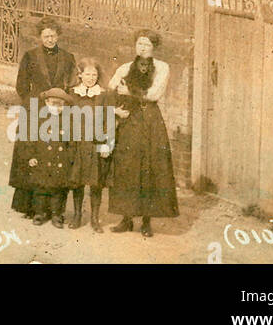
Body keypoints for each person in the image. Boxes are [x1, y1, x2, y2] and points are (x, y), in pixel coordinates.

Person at [106, 30, 179, 238]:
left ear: (154, 47)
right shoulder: (125, 67)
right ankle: (126, 218)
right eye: (139, 43)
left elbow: (155, 94)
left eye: (147, 44)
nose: (143, 47)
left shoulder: (162, 68)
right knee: (126, 165)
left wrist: (129, 92)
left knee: (150, 166)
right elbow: (111, 87)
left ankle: (146, 220)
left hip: (149, 120)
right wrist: (119, 101)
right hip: (129, 119)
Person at [9, 18, 76, 218]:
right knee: (31, 151)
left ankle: (53, 208)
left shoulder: (67, 57)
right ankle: (31, 207)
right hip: (35, 108)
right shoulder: (30, 56)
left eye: (53, 36)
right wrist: (32, 103)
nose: (50, 39)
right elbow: (21, 84)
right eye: (46, 36)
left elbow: (71, 83)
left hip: (58, 108)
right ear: (40, 37)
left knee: (55, 153)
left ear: (58, 36)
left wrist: (61, 103)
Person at [67, 58, 113, 231]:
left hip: (96, 143)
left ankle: (95, 218)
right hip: (77, 144)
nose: (91, 78)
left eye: (94, 74)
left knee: (96, 183)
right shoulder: (72, 93)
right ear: (80, 75)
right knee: (77, 181)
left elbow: (109, 120)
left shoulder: (104, 94)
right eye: (87, 74)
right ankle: (77, 215)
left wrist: (107, 145)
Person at [24, 87, 79, 227]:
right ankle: (39, 212)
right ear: (47, 103)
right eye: (53, 103)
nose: (56, 107)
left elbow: (71, 142)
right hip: (42, 158)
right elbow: (31, 139)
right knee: (40, 188)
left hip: (60, 160)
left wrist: (70, 159)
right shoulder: (40, 120)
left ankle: (56, 214)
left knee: (58, 190)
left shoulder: (67, 121)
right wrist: (31, 156)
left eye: (60, 104)